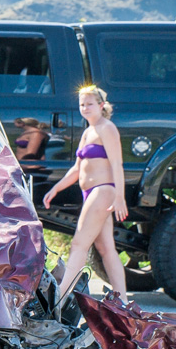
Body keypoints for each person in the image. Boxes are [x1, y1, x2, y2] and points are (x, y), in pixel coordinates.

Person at [43, 85, 128, 303]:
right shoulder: (88, 131)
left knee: (79, 244)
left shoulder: (107, 128)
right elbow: (77, 168)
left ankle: (61, 295)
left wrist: (120, 197)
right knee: (106, 248)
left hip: (103, 190)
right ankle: (122, 302)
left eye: (90, 104)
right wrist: (56, 188)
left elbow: (117, 164)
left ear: (101, 105)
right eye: (82, 104)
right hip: (90, 192)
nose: (85, 108)